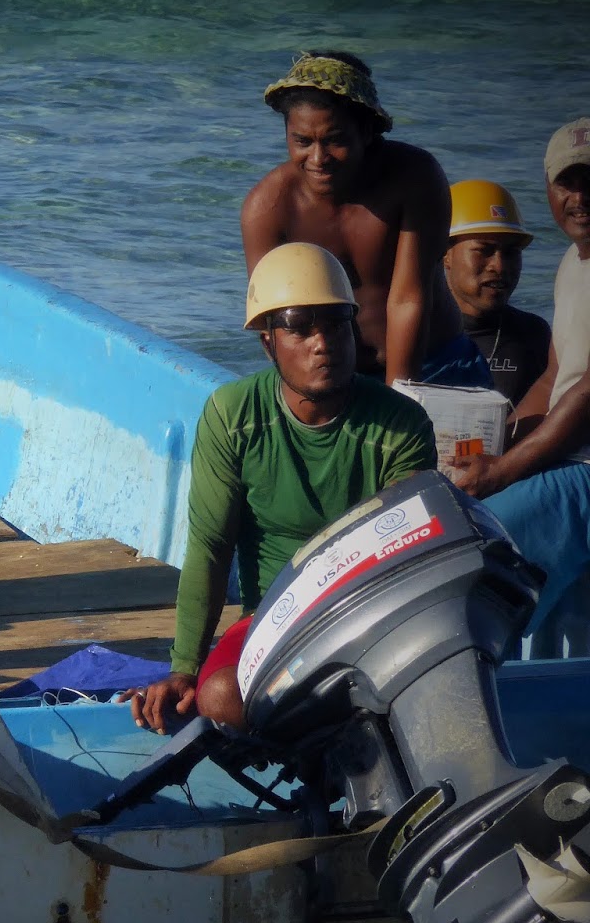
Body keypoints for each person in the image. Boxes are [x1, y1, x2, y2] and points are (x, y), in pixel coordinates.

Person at [128, 243, 436, 733]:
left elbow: (403, 559)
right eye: (300, 325)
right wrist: (183, 668)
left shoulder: (400, 425)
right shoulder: (233, 415)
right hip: (272, 623)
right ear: (268, 342)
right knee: (219, 696)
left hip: (367, 618)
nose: (322, 342)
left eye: (336, 322)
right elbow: (210, 548)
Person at [241, 51, 486, 388]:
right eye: (302, 141)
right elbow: (273, 321)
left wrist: (400, 401)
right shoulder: (266, 208)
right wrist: (318, 390)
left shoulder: (414, 177)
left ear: (369, 131)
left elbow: (407, 298)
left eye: (334, 140)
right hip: (334, 379)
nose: (318, 158)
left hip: (438, 363)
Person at [452, 119, 590, 635]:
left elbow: (587, 392)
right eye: (567, 182)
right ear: (549, 189)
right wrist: (501, 441)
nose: (580, 197)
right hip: (569, 463)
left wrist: (502, 472)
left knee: (472, 547)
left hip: (584, 475)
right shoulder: (572, 265)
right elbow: (556, 373)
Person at [444, 179, 551, 404]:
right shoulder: (416, 330)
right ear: (445, 253)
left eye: (511, 252)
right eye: (484, 250)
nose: (499, 266)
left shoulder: (534, 336)